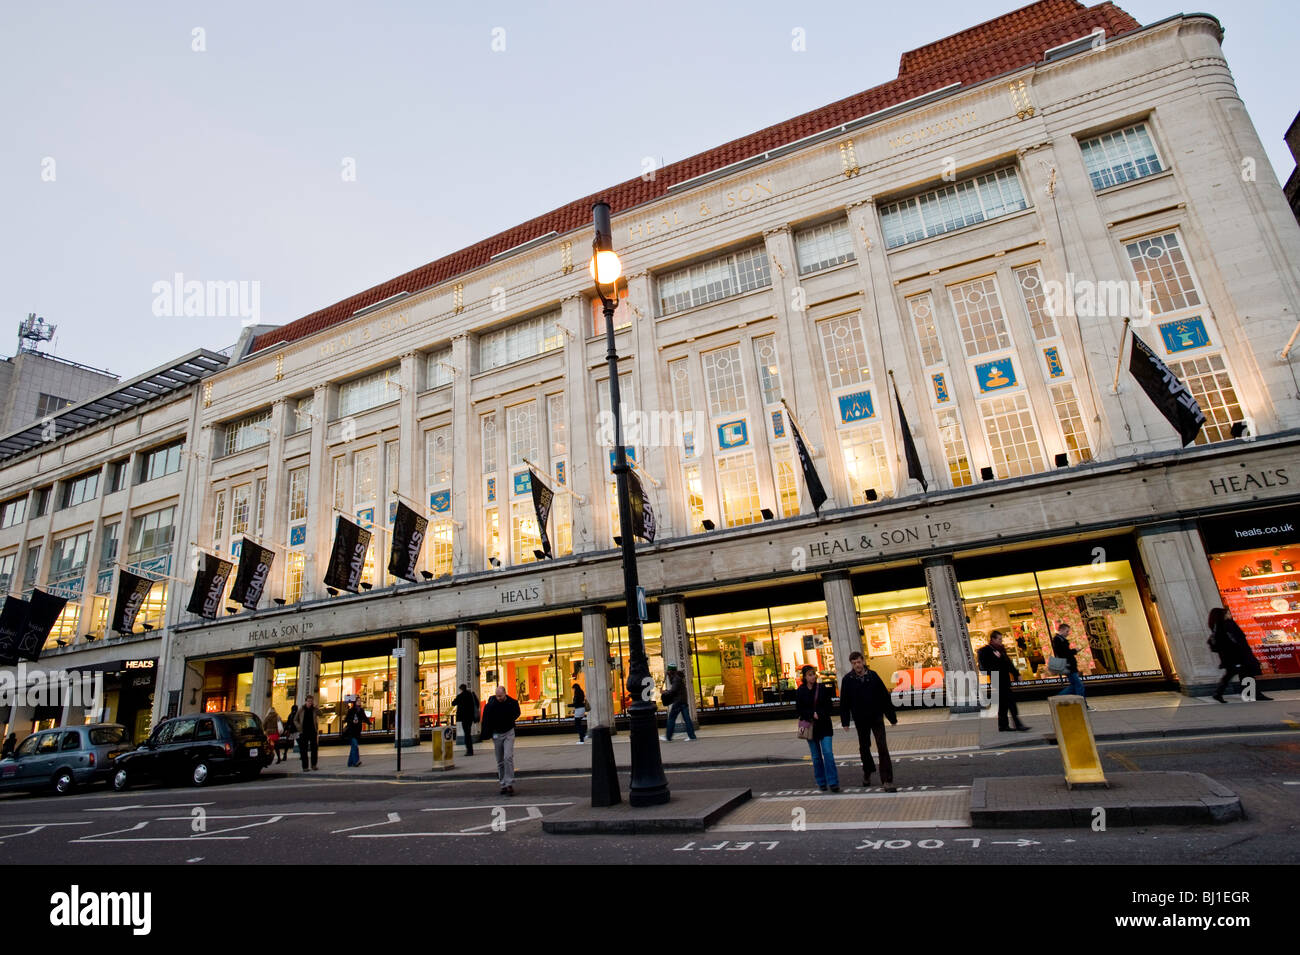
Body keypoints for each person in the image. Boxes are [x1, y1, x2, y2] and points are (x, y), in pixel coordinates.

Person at [839, 650, 898, 791]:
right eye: (854, 663)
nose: (857, 665)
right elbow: (844, 702)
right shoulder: (848, 680)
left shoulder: (873, 676)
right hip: (861, 720)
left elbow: (884, 697)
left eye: (859, 662)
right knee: (864, 748)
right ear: (851, 664)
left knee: (882, 747)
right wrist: (845, 721)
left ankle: (887, 780)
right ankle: (867, 771)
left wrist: (892, 717)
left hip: (876, 717)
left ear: (863, 661)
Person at [1208, 606, 1272, 702]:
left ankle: (1219, 693)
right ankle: (1253, 694)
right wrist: (1244, 654)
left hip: (1232, 657)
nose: (1230, 615)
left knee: (1233, 674)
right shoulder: (1228, 625)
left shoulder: (1218, 627)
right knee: (1246, 673)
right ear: (1223, 615)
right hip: (1238, 656)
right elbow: (1238, 641)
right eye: (1227, 613)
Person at [795, 664, 839, 793]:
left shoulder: (822, 688)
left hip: (824, 725)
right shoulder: (801, 691)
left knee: (828, 753)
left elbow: (829, 706)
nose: (812, 677)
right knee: (816, 757)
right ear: (804, 677)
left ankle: (833, 782)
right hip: (811, 727)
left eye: (813, 674)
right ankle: (821, 782)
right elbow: (799, 710)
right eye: (809, 675)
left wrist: (820, 713)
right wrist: (811, 714)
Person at [978, 631, 1031, 733]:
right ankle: (1017, 723)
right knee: (1010, 700)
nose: (1001, 641)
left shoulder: (1001, 649)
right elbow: (983, 667)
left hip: (1005, 678)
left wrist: (1016, 674)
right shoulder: (985, 651)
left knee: (1003, 702)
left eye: (1001, 639)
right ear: (993, 639)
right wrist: (996, 661)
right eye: (999, 639)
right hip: (996, 678)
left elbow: (1008, 664)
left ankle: (1003, 725)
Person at [481, 685, 521, 795]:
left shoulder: (512, 703)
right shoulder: (491, 705)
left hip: (508, 732)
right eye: (497, 696)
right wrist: (486, 733)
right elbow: (486, 719)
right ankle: (503, 784)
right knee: (500, 760)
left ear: (505, 694)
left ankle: (509, 783)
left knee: (508, 757)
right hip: (497, 734)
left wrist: (509, 720)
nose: (499, 698)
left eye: (501, 696)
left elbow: (517, 712)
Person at [1051, 622, 1088, 704]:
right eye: (1067, 631)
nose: (1068, 633)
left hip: (1068, 666)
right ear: (1061, 630)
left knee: (1074, 685)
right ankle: (1082, 704)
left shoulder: (1059, 639)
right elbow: (1064, 653)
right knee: (1079, 686)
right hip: (1069, 666)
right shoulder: (1058, 640)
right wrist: (1075, 650)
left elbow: (1064, 653)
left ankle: (1058, 699)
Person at [660, 663, 697, 742]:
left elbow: (673, 691)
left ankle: (668, 737)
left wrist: (664, 692)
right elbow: (675, 690)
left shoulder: (676, 679)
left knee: (671, 718)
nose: (667, 672)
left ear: (670, 671)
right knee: (687, 719)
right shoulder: (678, 677)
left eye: (668, 670)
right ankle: (692, 736)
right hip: (683, 701)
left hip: (678, 702)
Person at [341, 697, 371, 767]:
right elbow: (347, 719)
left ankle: (350, 763)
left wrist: (369, 723)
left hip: (357, 731)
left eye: (360, 701)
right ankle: (356, 761)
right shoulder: (351, 710)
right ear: (355, 702)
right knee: (355, 746)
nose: (359, 702)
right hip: (351, 731)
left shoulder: (361, 710)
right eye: (358, 701)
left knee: (353, 747)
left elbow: (364, 717)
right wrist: (352, 721)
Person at [452, 684, 479, 756]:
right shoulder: (471, 695)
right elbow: (477, 703)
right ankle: (470, 750)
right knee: (468, 733)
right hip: (470, 717)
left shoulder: (460, 696)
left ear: (461, 689)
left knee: (467, 734)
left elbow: (453, 703)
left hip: (464, 718)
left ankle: (469, 750)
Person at [298, 694, 321, 771]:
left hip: (312, 731)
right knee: (303, 750)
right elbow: (295, 719)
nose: (310, 703)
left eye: (311, 701)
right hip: (303, 732)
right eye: (308, 701)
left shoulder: (314, 709)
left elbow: (320, 714)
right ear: (306, 701)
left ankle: (314, 765)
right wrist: (299, 727)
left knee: (314, 749)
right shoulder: (301, 709)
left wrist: (317, 708)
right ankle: (305, 767)